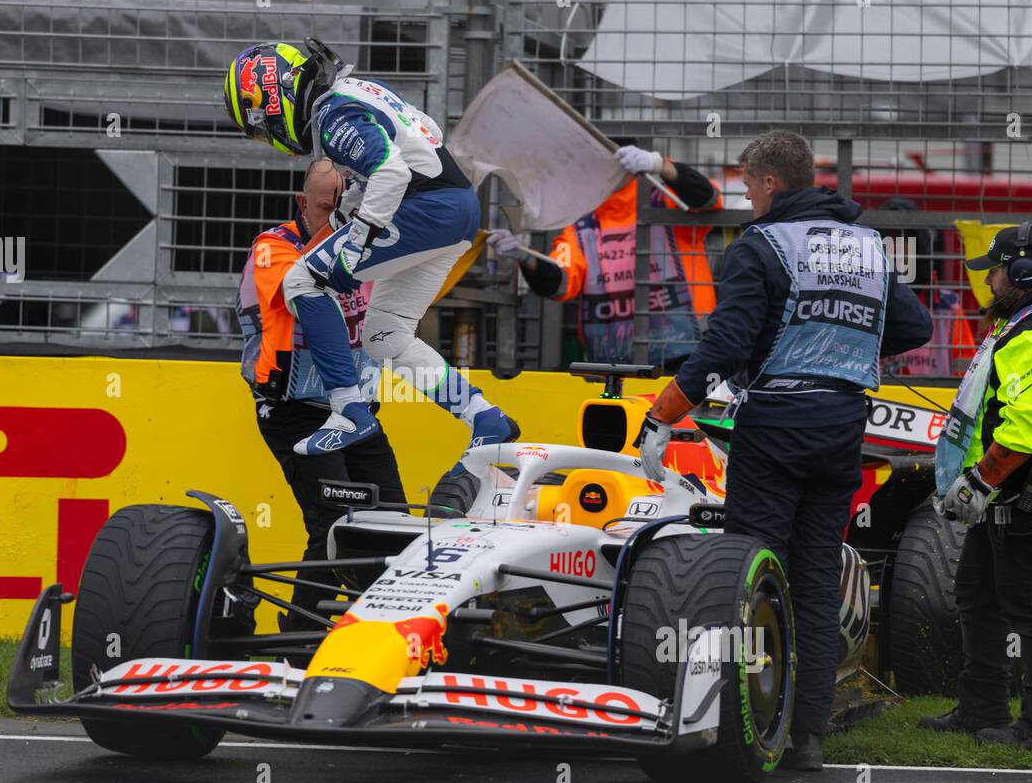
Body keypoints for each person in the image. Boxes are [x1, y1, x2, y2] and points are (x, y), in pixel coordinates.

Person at [632, 130, 932, 771]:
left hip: (772, 423)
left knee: (745, 572)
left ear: (769, 182)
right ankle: (809, 739)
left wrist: (661, 416)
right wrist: (841, 351)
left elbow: (725, 349)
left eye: (746, 184)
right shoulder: (869, 244)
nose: (745, 197)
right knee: (816, 580)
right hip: (844, 423)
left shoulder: (760, 247)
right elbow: (914, 326)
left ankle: (745, 723)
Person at [223, 38, 519, 463]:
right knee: (385, 335)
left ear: (272, 98)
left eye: (258, 120)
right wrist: (350, 215)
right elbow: (426, 134)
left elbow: (390, 171)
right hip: (457, 209)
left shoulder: (330, 113)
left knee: (304, 281)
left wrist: (358, 236)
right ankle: (483, 415)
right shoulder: (357, 89)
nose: (268, 134)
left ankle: (347, 409)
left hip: (426, 208)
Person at [237, 159, 406, 630]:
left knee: (392, 520)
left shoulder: (369, 247)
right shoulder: (273, 247)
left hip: (353, 413)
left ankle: (380, 635)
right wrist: (338, 227)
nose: (336, 214)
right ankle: (302, 638)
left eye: (346, 207)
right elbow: (298, 289)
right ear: (302, 203)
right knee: (334, 520)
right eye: (326, 206)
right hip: (294, 410)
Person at [925, 222, 1032, 750]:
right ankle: (982, 705)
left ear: (1023, 272)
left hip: (1028, 494)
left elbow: (1027, 428)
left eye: (997, 271)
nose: (989, 282)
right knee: (976, 595)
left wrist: (978, 483)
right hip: (1008, 492)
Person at [486, 146, 722, 369]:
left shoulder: (666, 202)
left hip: (687, 359)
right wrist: (527, 258)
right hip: (614, 369)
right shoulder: (579, 229)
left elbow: (709, 200)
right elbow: (561, 279)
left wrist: (661, 165)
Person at [876, 196, 977, 377]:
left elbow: (966, 374)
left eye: (903, 239)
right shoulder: (866, 299)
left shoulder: (948, 307)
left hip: (930, 403)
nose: (894, 248)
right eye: (887, 239)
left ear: (920, 248)